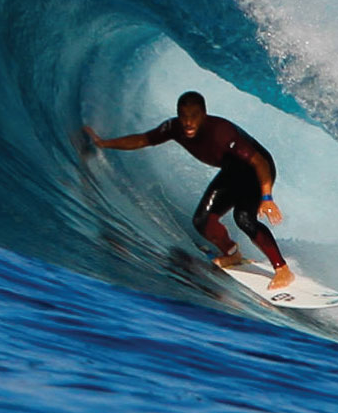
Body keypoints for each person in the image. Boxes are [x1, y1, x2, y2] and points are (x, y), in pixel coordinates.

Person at [82, 91, 294, 290]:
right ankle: (232, 253)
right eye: (183, 116)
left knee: (244, 218)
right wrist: (103, 143)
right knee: (202, 221)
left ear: (204, 114)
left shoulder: (222, 133)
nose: (188, 122)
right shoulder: (174, 128)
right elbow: (143, 139)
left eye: (194, 116)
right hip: (232, 172)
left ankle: (282, 269)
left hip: (256, 171)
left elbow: (259, 162)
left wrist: (267, 196)